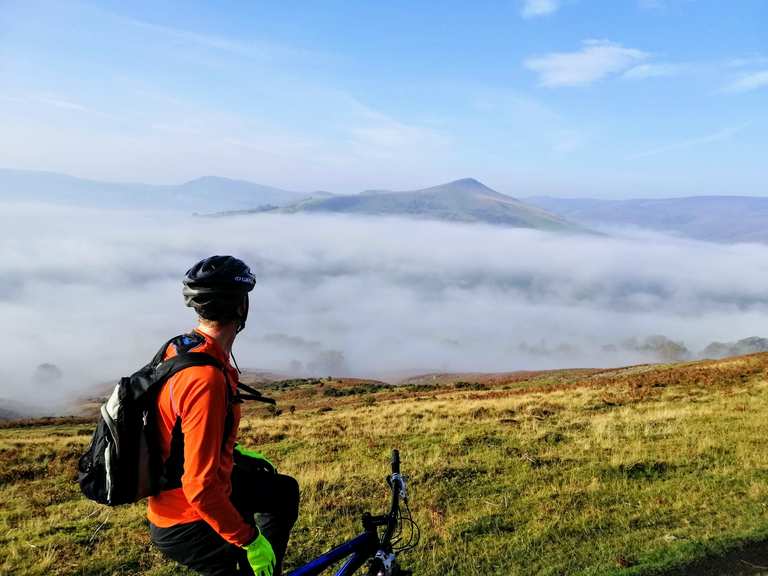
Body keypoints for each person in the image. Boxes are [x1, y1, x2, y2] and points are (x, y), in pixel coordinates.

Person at [147, 255, 300, 576]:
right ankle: (258, 565)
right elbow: (199, 488)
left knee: (282, 491)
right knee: (250, 553)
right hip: (187, 519)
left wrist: (235, 454)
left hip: (186, 493)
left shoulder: (182, 348)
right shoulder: (206, 379)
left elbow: (180, 428)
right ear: (241, 307)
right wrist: (250, 541)